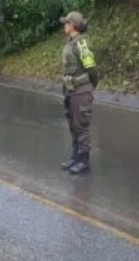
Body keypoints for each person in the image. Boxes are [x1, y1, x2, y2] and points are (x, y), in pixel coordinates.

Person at [59, 11, 99, 175]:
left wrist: (90, 86)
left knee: (81, 125)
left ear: (73, 25)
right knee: (73, 124)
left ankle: (84, 160)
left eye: (66, 23)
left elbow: (91, 69)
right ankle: (75, 156)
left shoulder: (81, 44)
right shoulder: (71, 42)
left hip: (81, 90)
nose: (64, 25)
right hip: (70, 90)